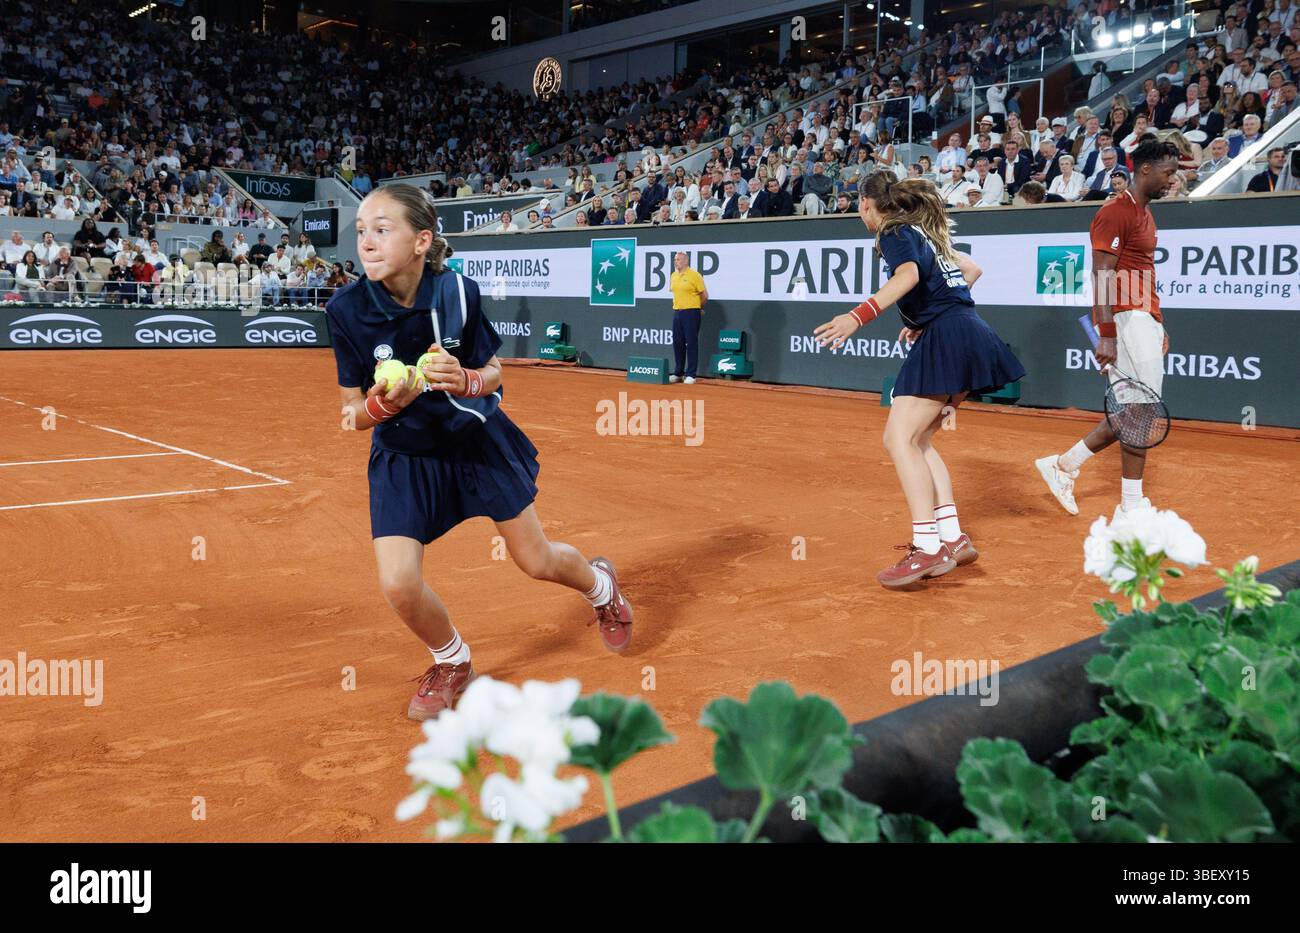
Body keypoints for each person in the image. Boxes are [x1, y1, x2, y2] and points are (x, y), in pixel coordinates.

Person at [324, 184, 635, 720]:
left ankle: (601, 586)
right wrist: (384, 407)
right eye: (361, 231)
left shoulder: (458, 293)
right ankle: (453, 660)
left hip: (472, 440)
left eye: (382, 229)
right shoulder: (346, 310)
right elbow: (350, 413)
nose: (366, 243)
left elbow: (493, 373)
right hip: (406, 454)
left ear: (422, 241)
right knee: (398, 582)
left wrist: (466, 379)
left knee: (536, 561)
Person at [814, 175, 1026, 589]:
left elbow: (908, 276)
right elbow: (971, 269)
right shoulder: (925, 234)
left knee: (898, 439)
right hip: (969, 332)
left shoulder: (893, 232)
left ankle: (927, 546)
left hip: (949, 336)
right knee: (919, 440)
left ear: (866, 204)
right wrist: (926, 316)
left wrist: (856, 317)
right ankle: (952, 538)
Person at [1035, 140, 1181, 519]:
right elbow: (1102, 275)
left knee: (1136, 411)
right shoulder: (1116, 211)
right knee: (1142, 411)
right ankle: (1130, 507)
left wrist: (1156, 322)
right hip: (1125, 317)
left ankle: (1064, 466)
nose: (1173, 178)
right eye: (1168, 171)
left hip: (1141, 316)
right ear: (1145, 169)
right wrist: (1108, 332)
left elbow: (1144, 274)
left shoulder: (1145, 214)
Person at [668, 251, 708, 385]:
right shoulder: (673, 276)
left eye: (678, 259)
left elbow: (704, 295)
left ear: (686, 261)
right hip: (677, 312)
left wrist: (697, 308)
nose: (676, 261)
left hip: (691, 313)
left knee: (691, 343)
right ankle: (678, 373)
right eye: (675, 259)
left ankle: (691, 374)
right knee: (677, 343)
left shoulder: (694, 275)